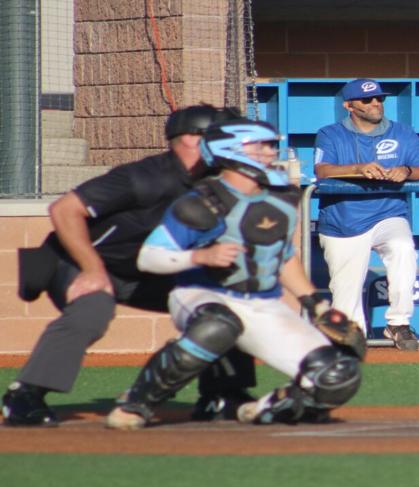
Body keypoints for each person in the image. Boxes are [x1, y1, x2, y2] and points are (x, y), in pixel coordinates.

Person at [5, 104, 259, 427]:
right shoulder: (145, 176)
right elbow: (64, 210)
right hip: (80, 262)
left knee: (229, 300)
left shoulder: (217, 184)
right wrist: (93, 269)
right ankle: (25, 395)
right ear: (190, 139)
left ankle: (223, 394)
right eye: (221, 135)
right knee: (92, 310)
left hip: (148, 272)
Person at [106, 118, 363, 430]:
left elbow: (283, 257)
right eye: (260, 146)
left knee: (338, 373)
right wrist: (201, 256)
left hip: (262, 303)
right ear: (229, 150)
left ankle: (260, 410)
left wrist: (315, 304)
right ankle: (137, 402)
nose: (270, 152)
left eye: (270, 146)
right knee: (217, 325)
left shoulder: (280, 198)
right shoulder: (203, 201)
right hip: (204, 293)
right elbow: (149, 257)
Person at [313, 78, 419, 351]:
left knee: (403, 248)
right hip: (343, 219)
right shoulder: (330, 134)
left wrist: (407, 170)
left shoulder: (402, 132)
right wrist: (357, 168)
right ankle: (352, 338)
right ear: (349, 106)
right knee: (345, 298)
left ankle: (399, 323)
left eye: (380, 98)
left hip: (388, 212)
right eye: (367, 100)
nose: (375, 103)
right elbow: (322, 170)